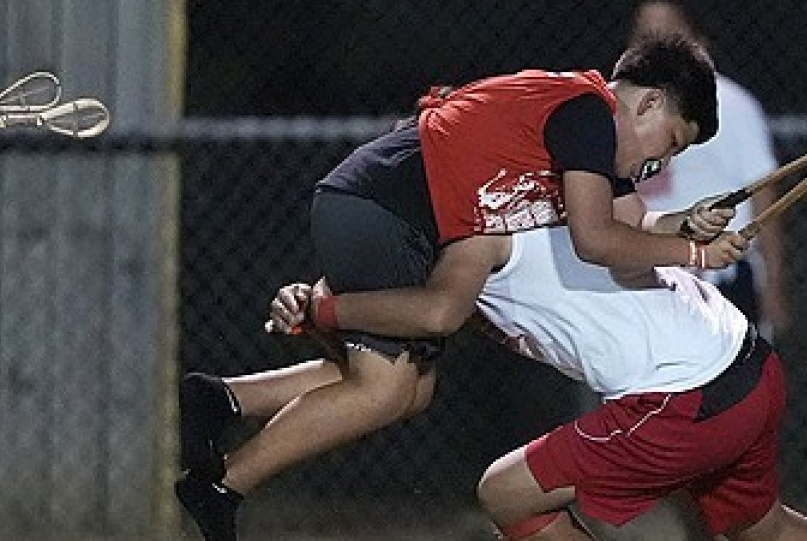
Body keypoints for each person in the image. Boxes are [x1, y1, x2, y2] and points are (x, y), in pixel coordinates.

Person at [175, 33, 748, 541]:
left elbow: (636, 222)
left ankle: (225, 400)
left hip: (389, 211)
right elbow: (596, 239)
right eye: (670, 142)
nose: (661, 161)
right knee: (390, 379)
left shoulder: (593, 133)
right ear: (646, 102)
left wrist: (688, 222)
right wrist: (693, 253)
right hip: (384, 205)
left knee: (407, 389)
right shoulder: (587, 114)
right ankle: (228, 478)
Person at [267, 224, 807, 540]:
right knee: (766, 530)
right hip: (748, 363)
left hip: (685, 394)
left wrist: (325, 310)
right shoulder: (504, 213)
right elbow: (387, 359)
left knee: (505, 491)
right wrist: (315, 305)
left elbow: (419, 323)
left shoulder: (465, 244)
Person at [630, 0, 791, 336]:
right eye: (645, 35)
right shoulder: (623, 109)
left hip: (717, 277)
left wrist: (774, 283)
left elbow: (764, 195)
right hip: (645, 276)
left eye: (667, 34)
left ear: (697, 41)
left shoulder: (730, 104)